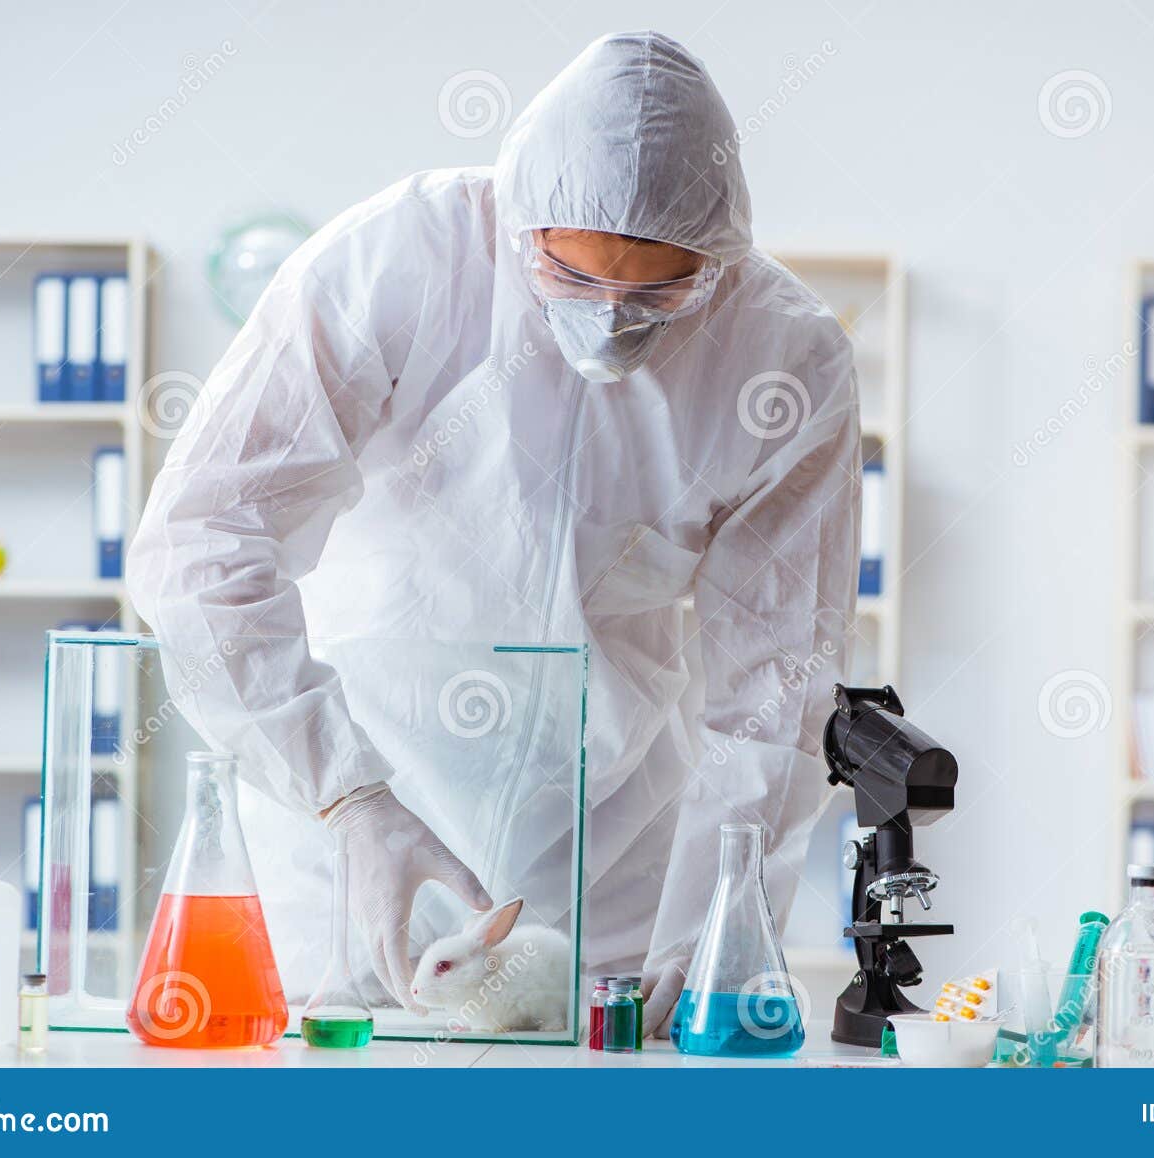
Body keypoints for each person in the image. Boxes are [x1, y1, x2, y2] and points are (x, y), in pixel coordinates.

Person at [127, 29, 859, 1036]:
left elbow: (776, 683)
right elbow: (203, 541)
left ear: (718, 261)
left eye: (658, 293)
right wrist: (350, 804)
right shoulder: (397, 258)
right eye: (575, 278)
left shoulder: (785, 355)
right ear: (519, 224)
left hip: (613, 856)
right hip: (355, 824)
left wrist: (712, 929)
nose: (611, 323)